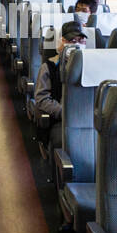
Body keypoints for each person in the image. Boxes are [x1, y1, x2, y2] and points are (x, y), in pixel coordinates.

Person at [34, 20, 87, 151]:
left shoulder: (93, 67)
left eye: (81, 41)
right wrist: (65, 113)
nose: (78, 46)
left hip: (89, 121)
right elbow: (42, 99)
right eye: (73, 41)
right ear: (62, 43)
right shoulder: (49, 67)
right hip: (61, 120)